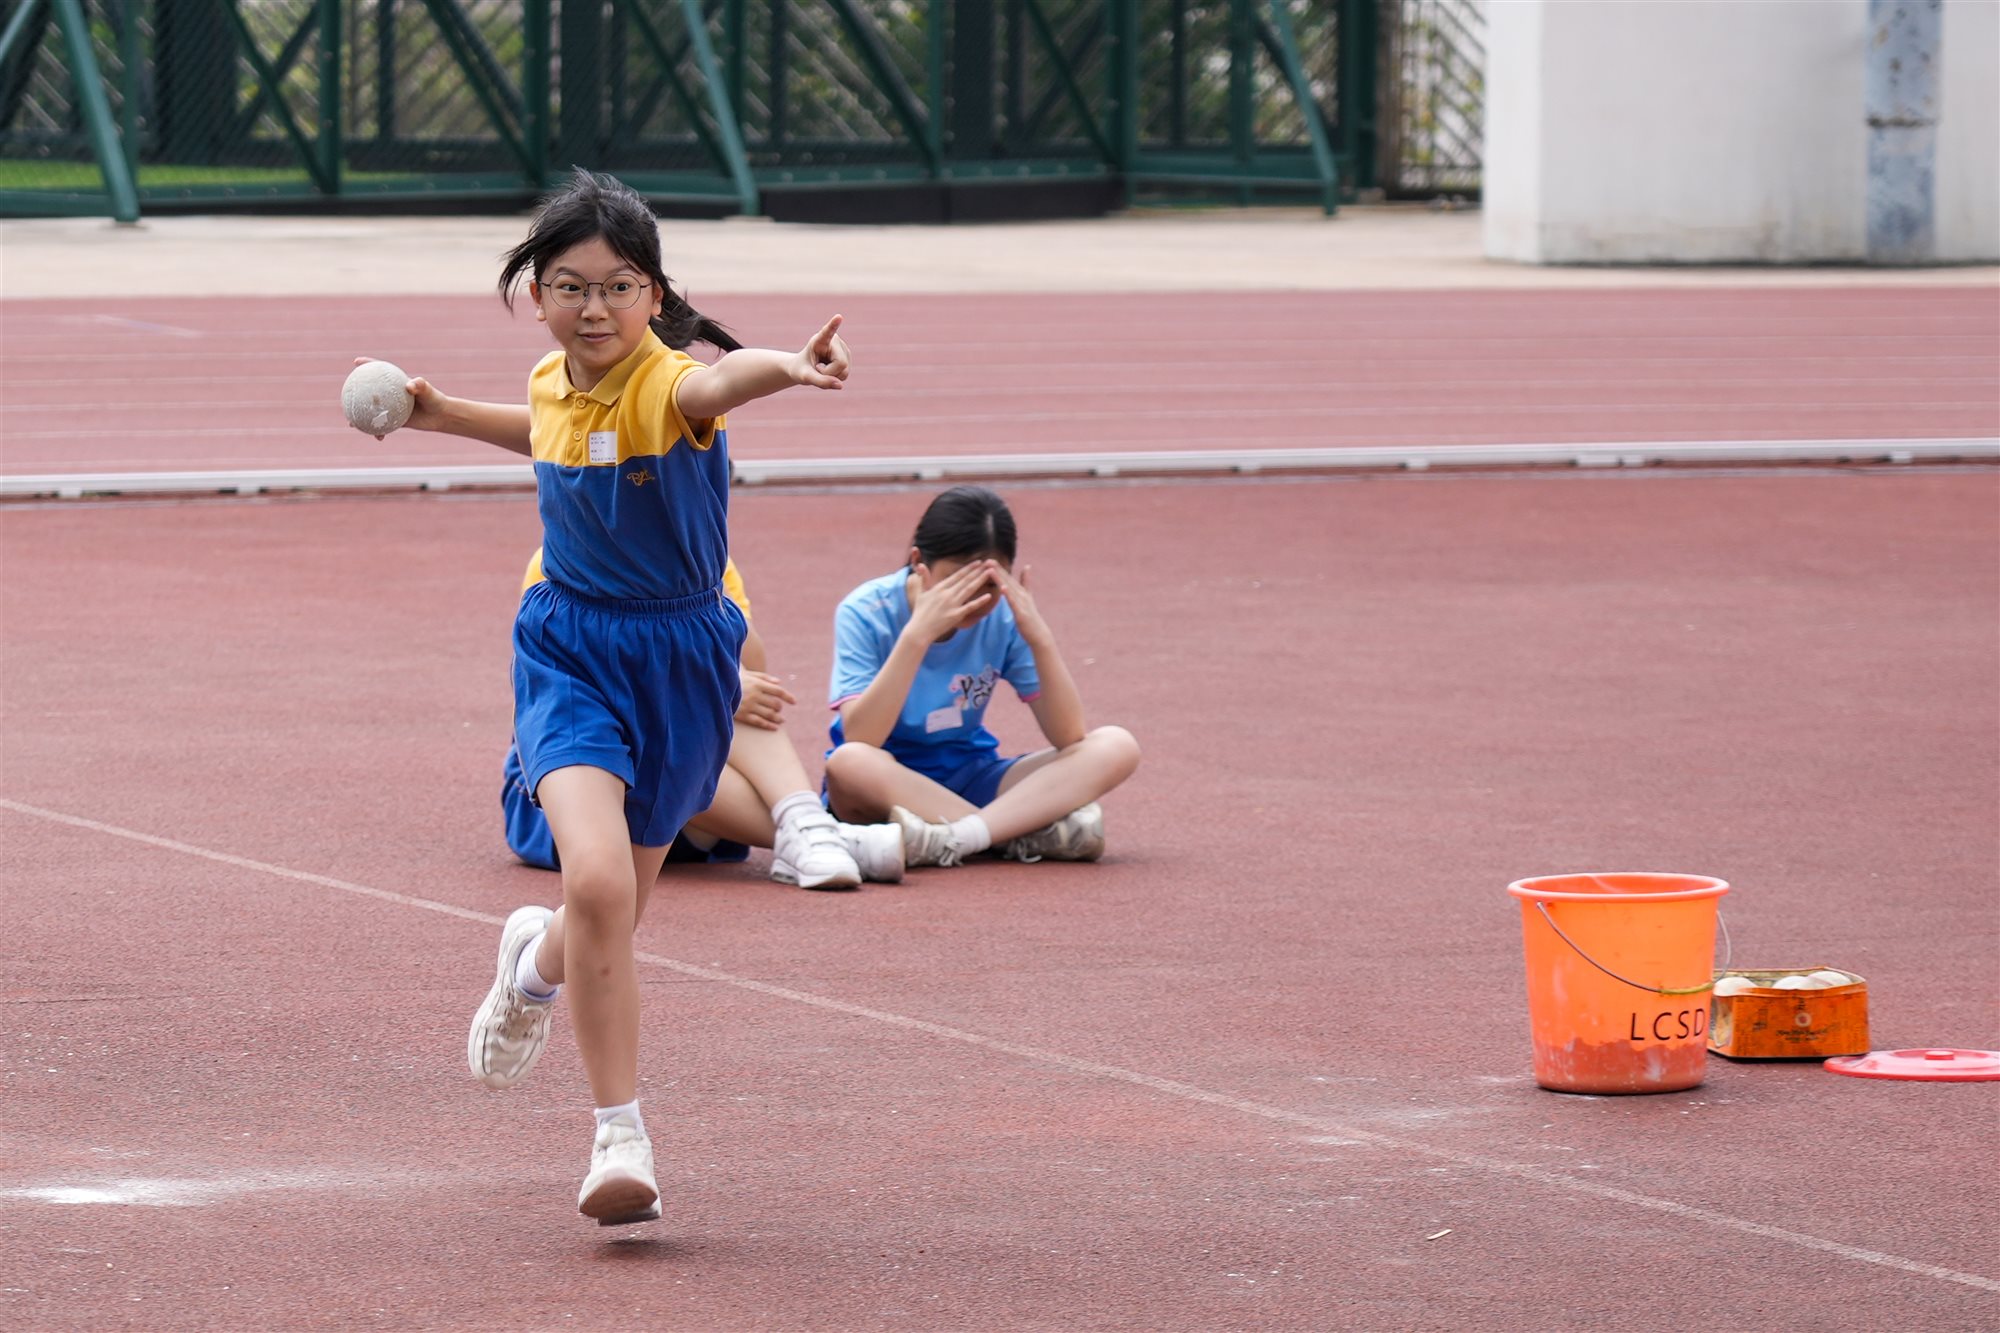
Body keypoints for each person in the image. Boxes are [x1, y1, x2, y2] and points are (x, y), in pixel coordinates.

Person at [362, 168, 852, 1225]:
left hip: (683, 659)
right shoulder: (552, 381)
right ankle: (616, 1135)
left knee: (611, 910)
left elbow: (725, 385)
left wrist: (791, 369)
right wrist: (439, 410)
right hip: (567, 645)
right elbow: (542, 433)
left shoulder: (669, 386)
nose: (594, 308)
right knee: (592, 881)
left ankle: (529, 969)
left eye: (618, 287)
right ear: (535, 293)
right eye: (570, 286)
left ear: (657, 297)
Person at [501, 547, 904, 889]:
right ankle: (829, 838)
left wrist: (709, 600)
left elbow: (752, 666)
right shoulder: (567, 556)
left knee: (741, 698)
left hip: (681, 807)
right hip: (582, 783)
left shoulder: (708, 558)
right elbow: (567, 693)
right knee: (672, 719)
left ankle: (808, 826)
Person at [822, 485, 1140, 868]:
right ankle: (1016, 832)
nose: (975, 598)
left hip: (975, 777)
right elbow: (862, 737)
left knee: (1116, 745)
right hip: (887, 781)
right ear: (918, 561)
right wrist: (917, 635)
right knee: (848, 763)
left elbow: (1069, 735)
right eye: (957, 580)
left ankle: (960, 837)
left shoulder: (1004, 617)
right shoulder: (865, 611)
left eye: (990, 583)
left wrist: (1040, 639)